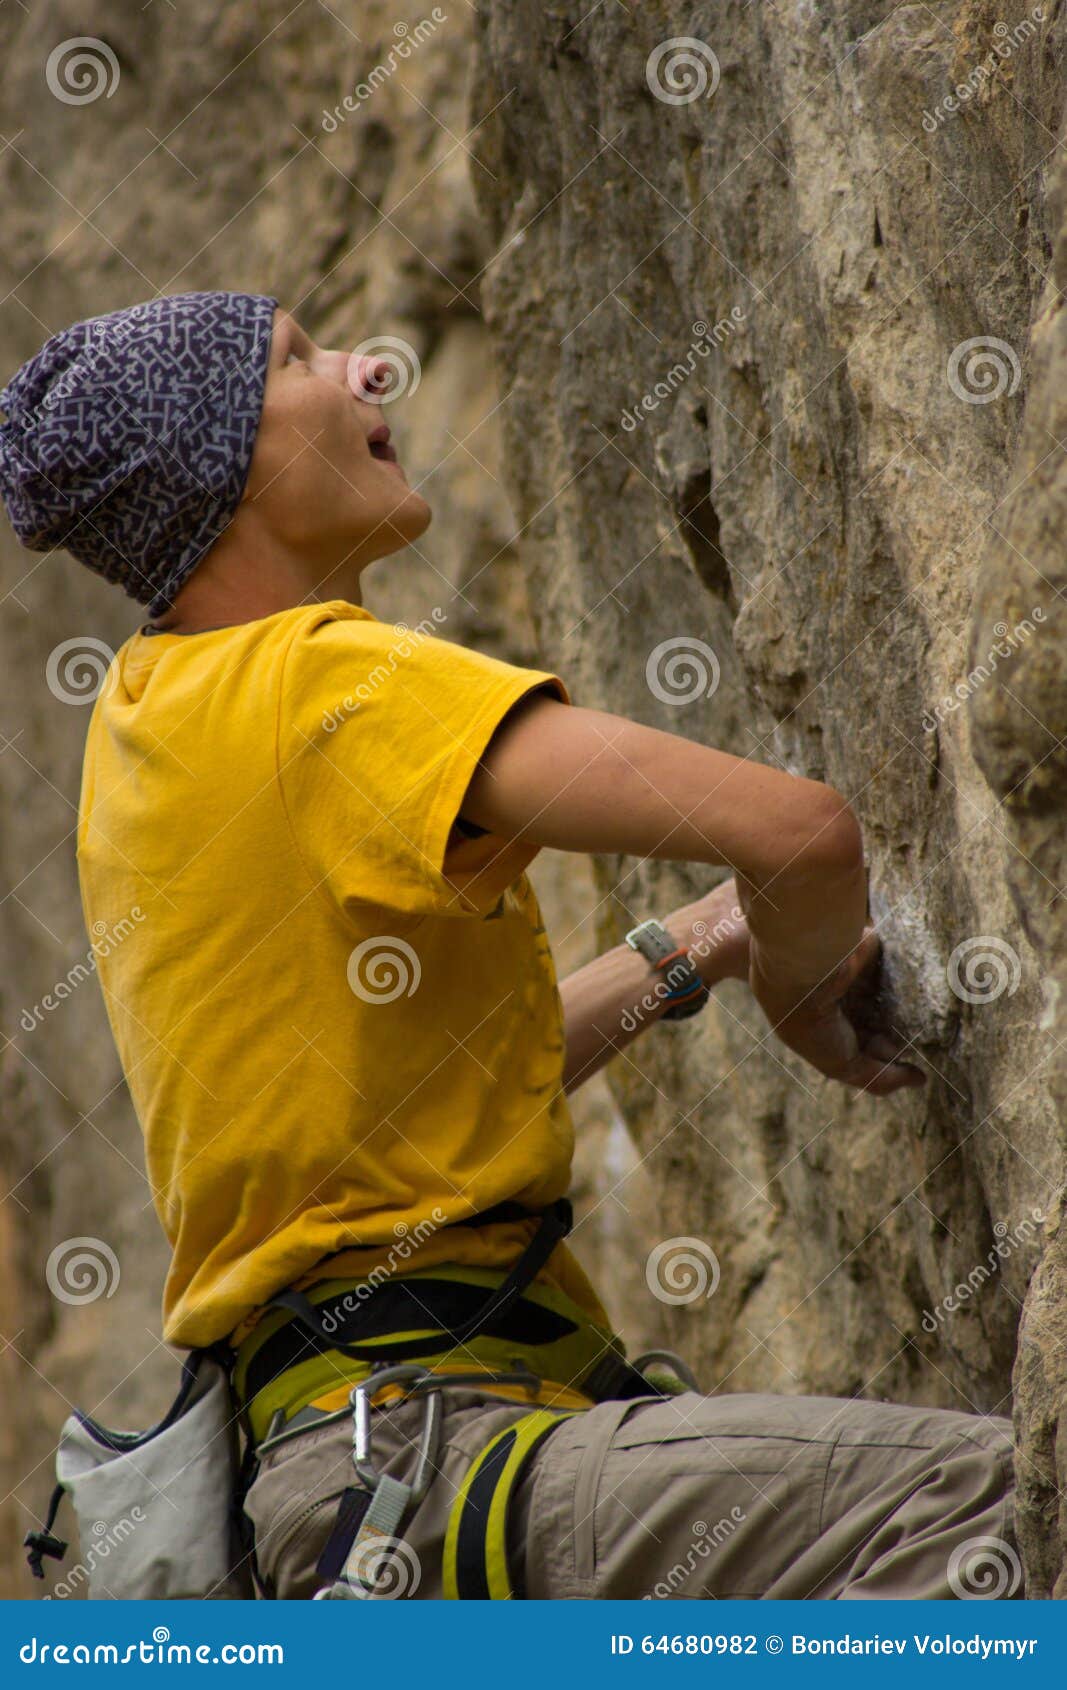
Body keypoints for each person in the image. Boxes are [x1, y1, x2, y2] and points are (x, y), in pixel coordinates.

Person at [0, 292, 1019, 1601]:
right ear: (222, 468)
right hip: (446, 1459)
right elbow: (802, 833)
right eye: (300, 361)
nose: (369, 365)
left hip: (343, 1502)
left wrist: (703, 942)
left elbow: (447, 1083)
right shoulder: (322, 682)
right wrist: (803, 985)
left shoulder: (146, 728)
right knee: (995, 1503)